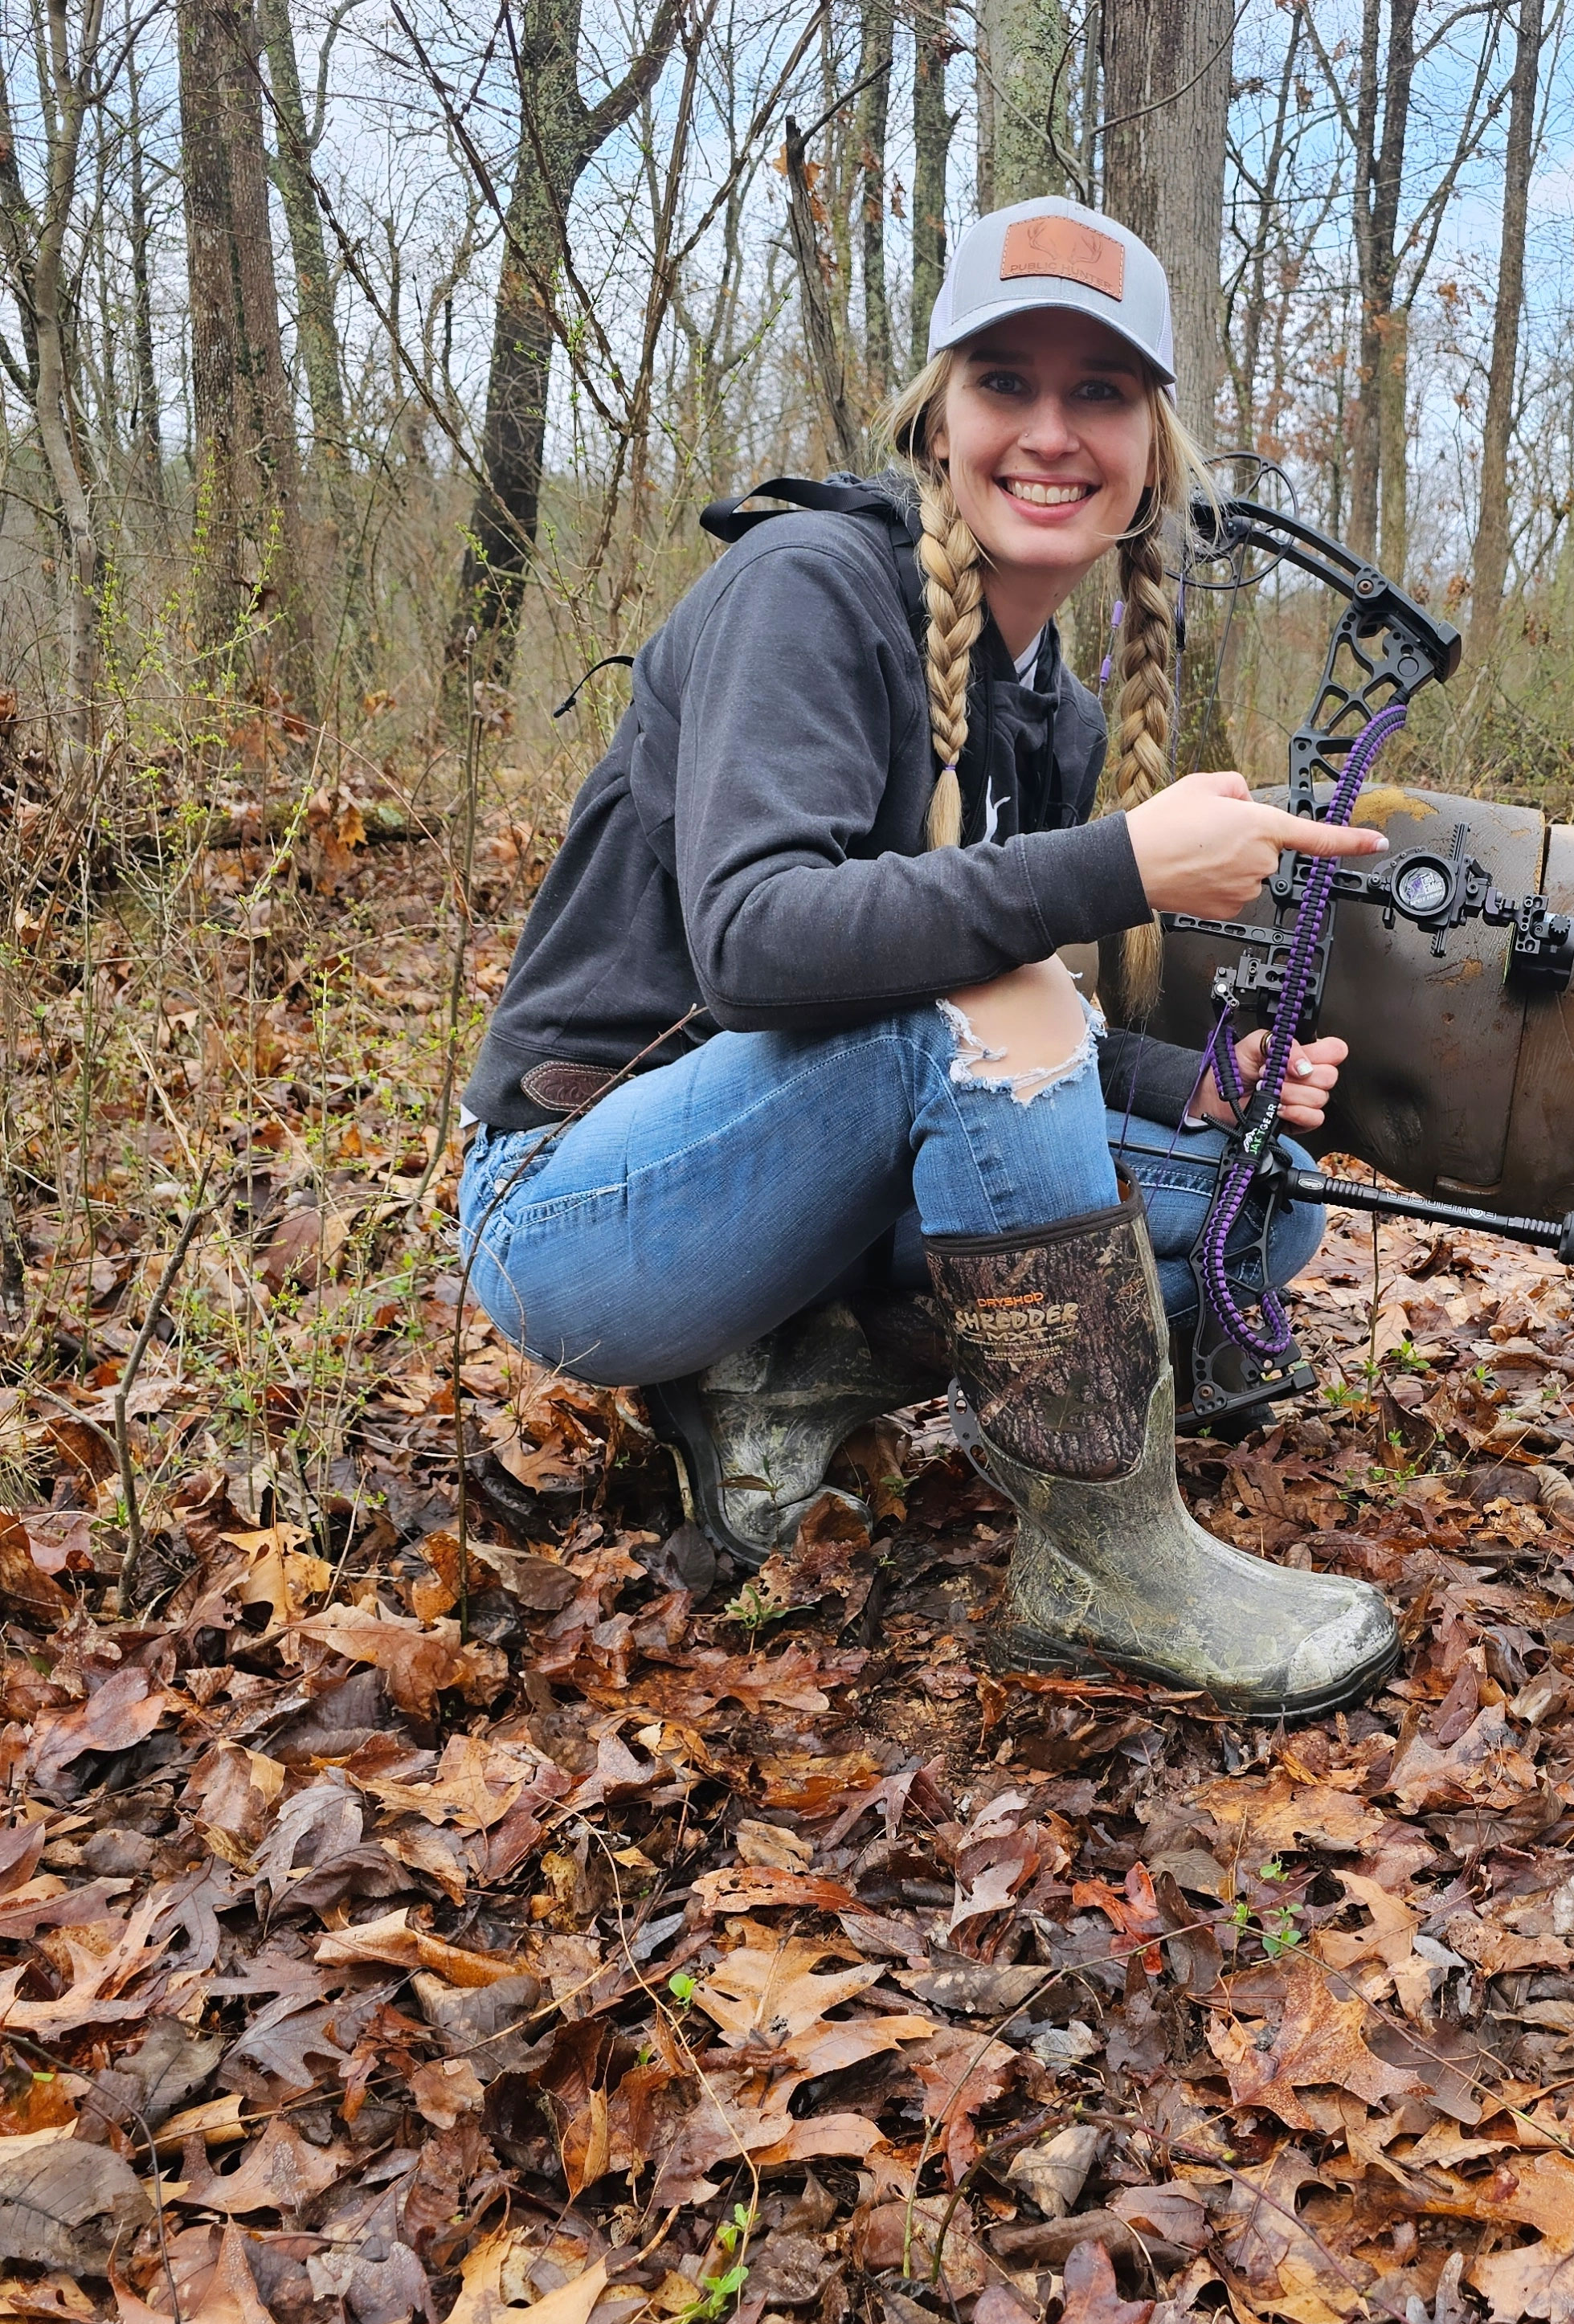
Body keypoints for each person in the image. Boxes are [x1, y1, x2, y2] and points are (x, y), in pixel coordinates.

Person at [454, 196, 1399, 1721]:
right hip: (581, 1208)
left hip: (817, 1188)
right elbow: (763, 948)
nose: (1051, 432)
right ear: (936, 418)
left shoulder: (1059, 709)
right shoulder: (812, 588)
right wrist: (1125, 864)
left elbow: (1014, 1017)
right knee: (973, 1010)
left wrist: (1200, 1082)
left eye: (1100, 393)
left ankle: (791, 1374)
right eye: (1005, 384)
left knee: (1257, 1213)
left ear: (1151, 448)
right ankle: (1102, 1563)